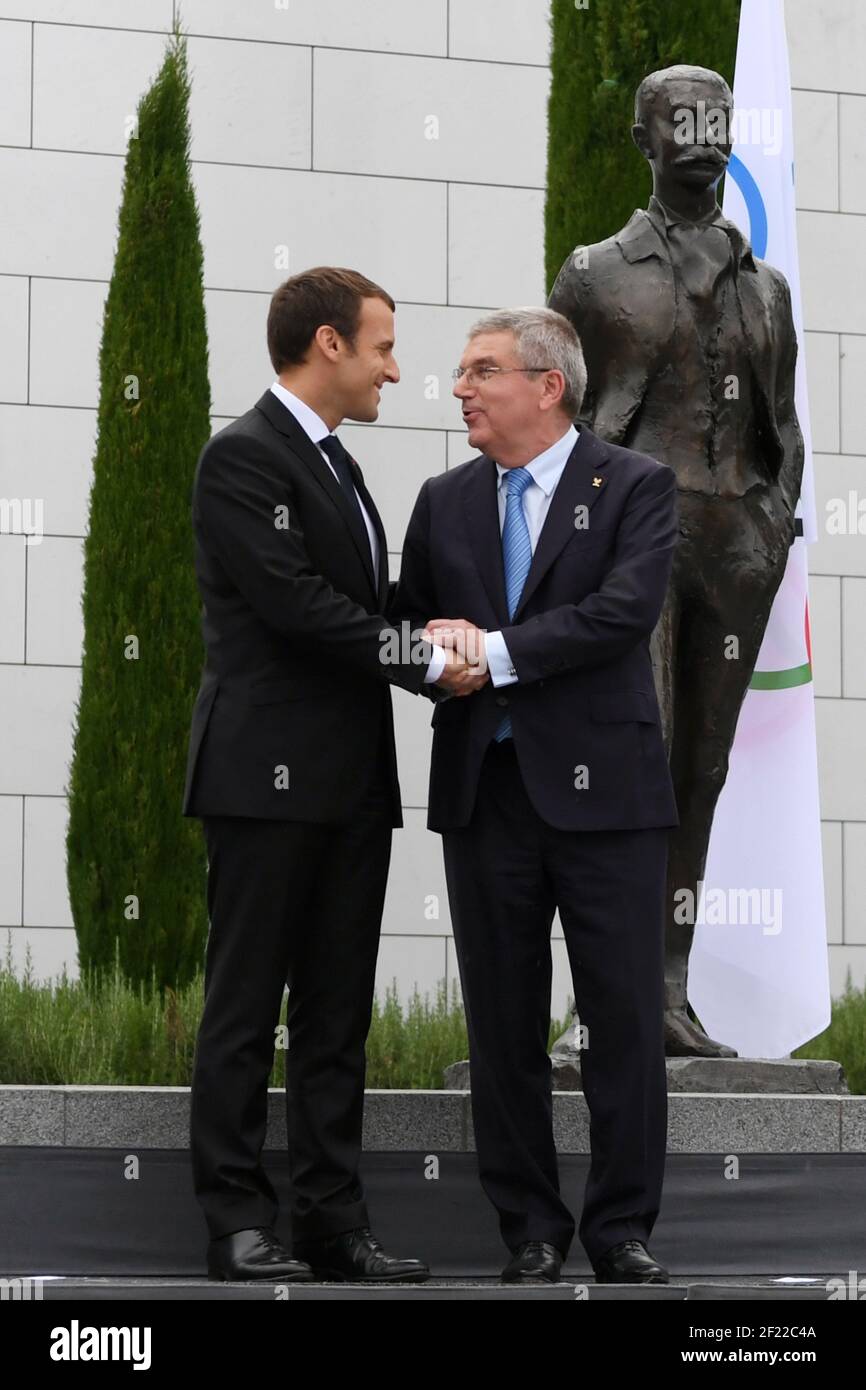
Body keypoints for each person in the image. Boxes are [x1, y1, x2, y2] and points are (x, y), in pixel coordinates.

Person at [182, 266, 485, 1283]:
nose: (395, 371)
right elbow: (298, 606)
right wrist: (419, 659)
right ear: (326, 345)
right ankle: (235, 1222)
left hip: (350, 787)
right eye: (382, 347)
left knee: (334, 1015)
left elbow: (357, 603)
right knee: (242, 1008)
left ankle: (329, 1222)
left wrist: (436, 636)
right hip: (261, 780)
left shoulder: (337, 467)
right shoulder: (241, 460)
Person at [395, 306, 679, 1284]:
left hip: (609, 803)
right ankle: (528, 1229)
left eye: (480, 371)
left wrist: (496, 655)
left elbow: (621, 612)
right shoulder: (442, 500)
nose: (459, 388)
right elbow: (396, 633)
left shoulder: (635, 484)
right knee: (501, 1026)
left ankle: (620, 1231)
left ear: (545, 385)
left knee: (624, 1020)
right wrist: (433, 659)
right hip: (487, 796)